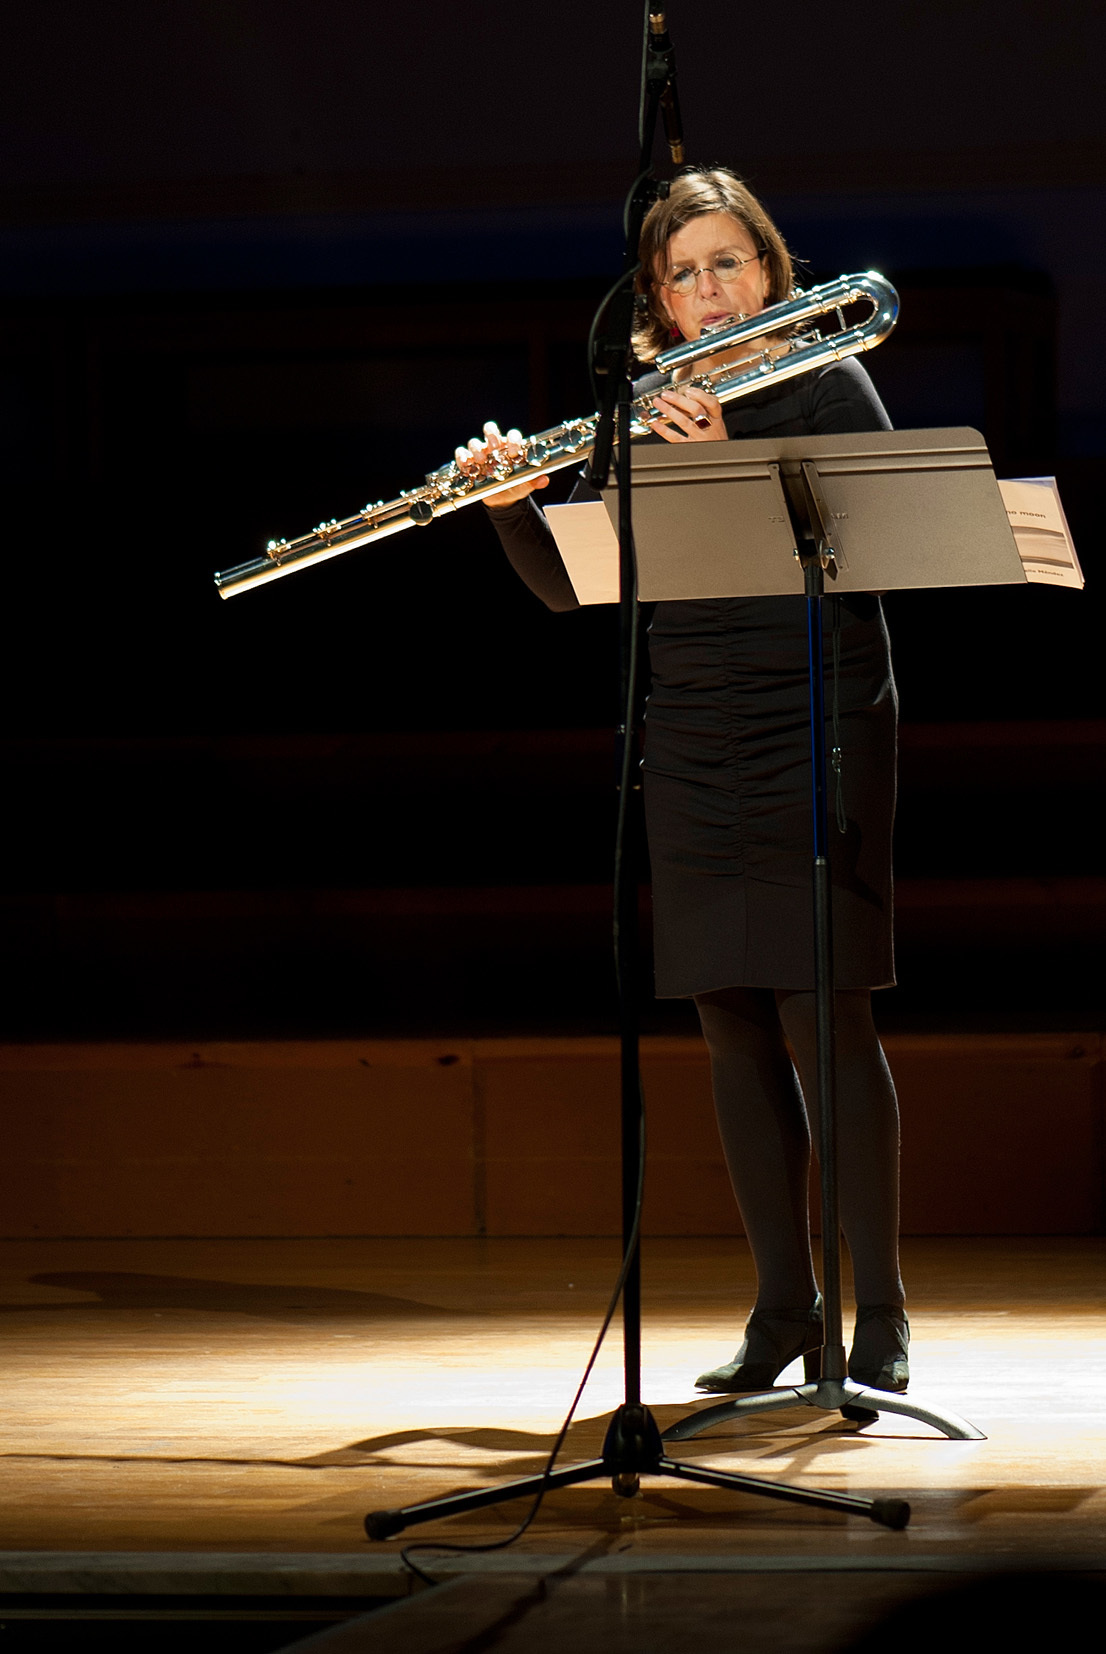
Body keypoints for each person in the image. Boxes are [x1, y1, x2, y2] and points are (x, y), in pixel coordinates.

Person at [462, 167, 908, 1398]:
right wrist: (513, 508)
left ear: (768, 269)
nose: (708, 291)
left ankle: (881, 1315)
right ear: (652, 297)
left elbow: (872, 555)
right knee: (728, 1023)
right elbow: (575, 587)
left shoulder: (828, 378)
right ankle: (783, 1309)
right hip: (695, 723)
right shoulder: (640, 404)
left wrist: (727, 466)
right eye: (682, 272)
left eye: (728, 263)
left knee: (827, 1016)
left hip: (816, 710)